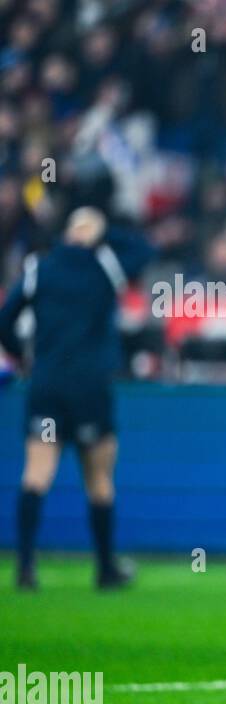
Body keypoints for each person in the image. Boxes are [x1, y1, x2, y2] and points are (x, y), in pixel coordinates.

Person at [1, 206, 150, 591]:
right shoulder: (105, 265)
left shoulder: (40, 268)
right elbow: (144, 248)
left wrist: (23, 357)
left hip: (47, 385)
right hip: (89, 388)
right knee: (99, 479)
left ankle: (26, 569)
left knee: (36, 474)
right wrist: (105, 231)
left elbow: (5, 321)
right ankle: (104, 569)